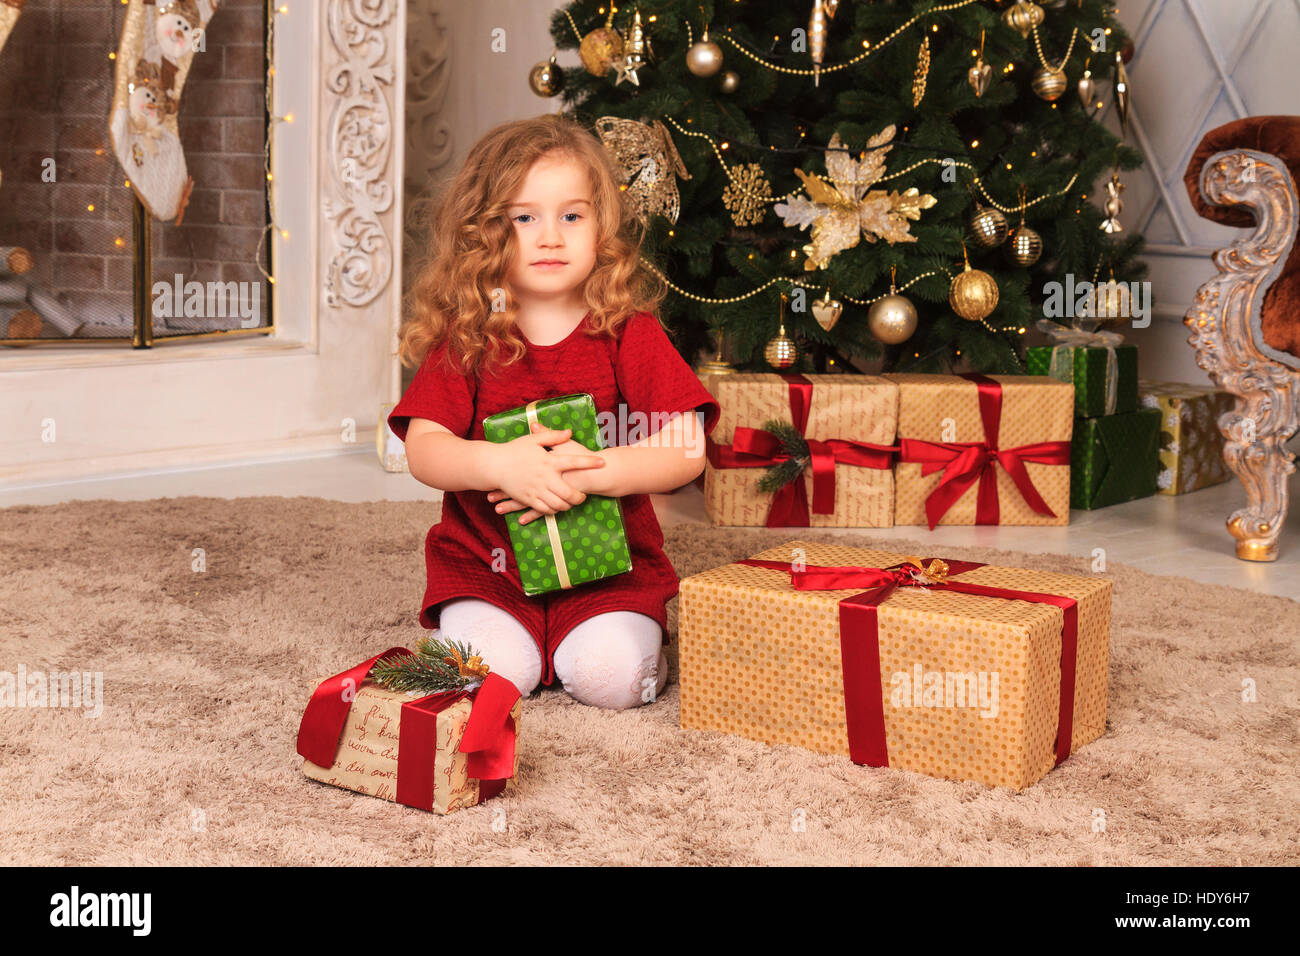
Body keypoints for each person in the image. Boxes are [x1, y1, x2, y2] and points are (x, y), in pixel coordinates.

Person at [388, 114, 720, 710]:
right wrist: (501, 466)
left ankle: (623, 647)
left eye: (572, 216)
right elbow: (423, 447)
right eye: (524, 218)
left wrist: (597, 470)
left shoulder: (628, 331)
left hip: (609, 575)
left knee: (613, 681)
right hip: (489, 572)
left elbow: (687, 447)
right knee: (490, 679)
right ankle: (502, 640)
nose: (550, 237)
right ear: (485, 232)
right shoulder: (470, 336)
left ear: (601, 228)